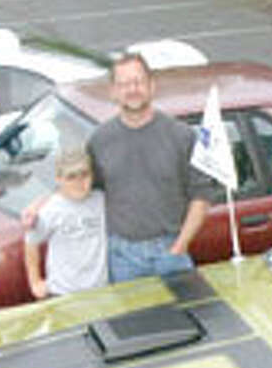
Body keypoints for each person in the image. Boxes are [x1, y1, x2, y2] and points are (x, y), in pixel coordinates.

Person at [86, 52, 218, 282]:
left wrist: (179, 246)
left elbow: (202, 196)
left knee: (180, 318)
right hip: (122, 257)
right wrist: (40, 205)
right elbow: (82, 188)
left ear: (152, 86)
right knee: (132, 319)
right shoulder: (99, 140)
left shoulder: (181, 136)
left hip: (170, 252)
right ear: (113, 92)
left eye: (138, 81)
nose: (132, 89)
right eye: (124, 84)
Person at [22, 146, 108, 299]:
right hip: (63, 292)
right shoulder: (50, 210)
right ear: (58, 179)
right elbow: (31, 243)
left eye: (84, 175)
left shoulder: (100, 200)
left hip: (99, 289)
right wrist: (35, 282)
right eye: (71, 177)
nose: (79, 182)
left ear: (92, 175)